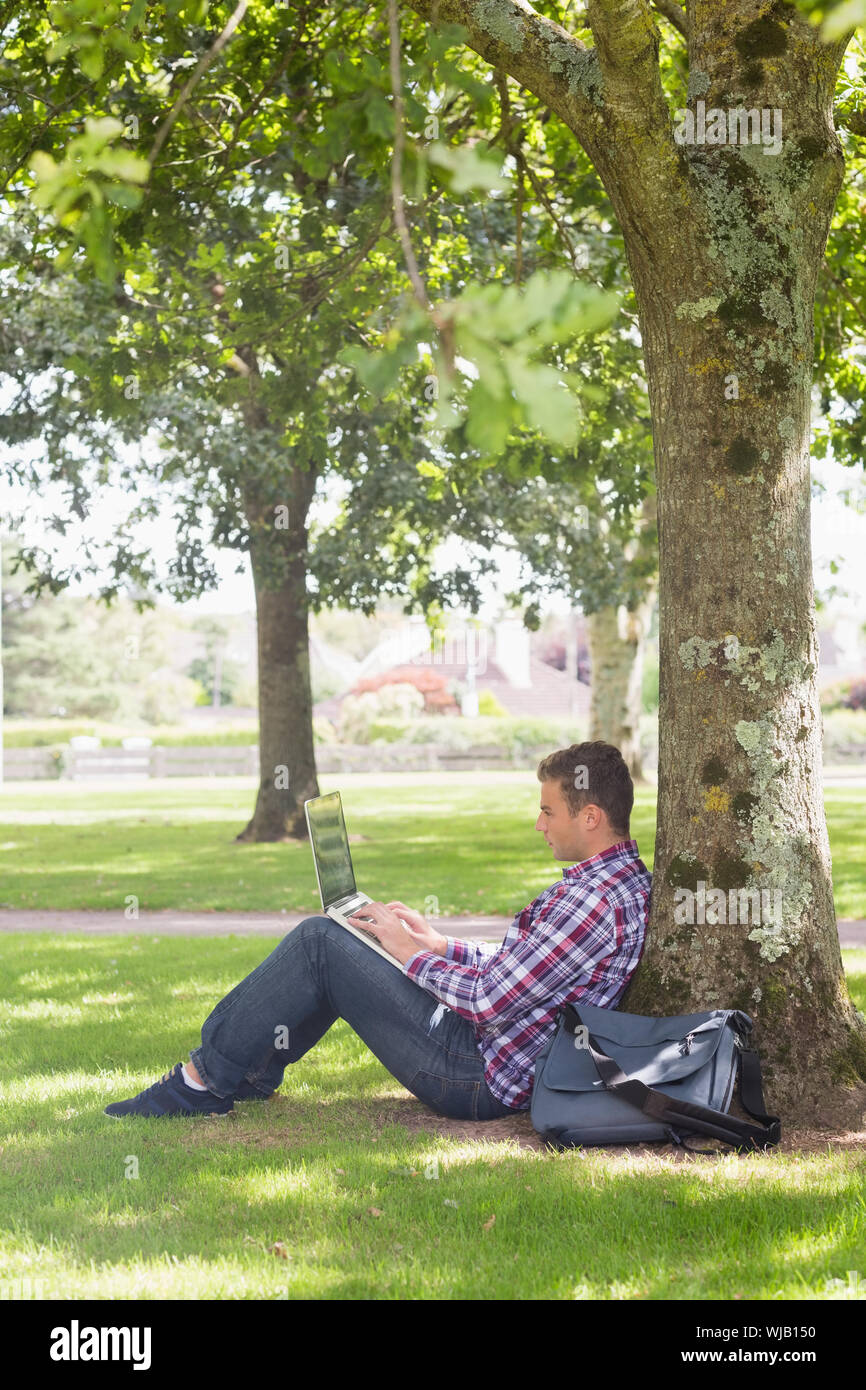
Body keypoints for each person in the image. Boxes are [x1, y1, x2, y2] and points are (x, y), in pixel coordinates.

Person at [103, 741, 651, 1121]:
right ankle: (246, 1075)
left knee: (322, 943)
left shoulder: (590, 899)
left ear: (590, 817)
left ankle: (202, 1081)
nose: (538, 825)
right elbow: (527, 972)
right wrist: (438, 945)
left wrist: (409, 953)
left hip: (478, 1073)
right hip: (493, 1050)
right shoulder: (621, 879)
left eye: (547, 811)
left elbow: (488, 1002)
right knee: (345, 942)